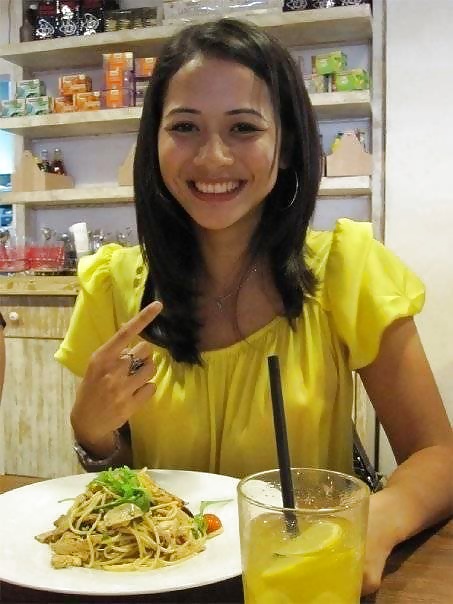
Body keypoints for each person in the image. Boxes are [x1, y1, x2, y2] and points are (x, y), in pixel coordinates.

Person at [55, 18, 453, 595]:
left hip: (300, 579)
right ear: (154, 144)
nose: (213, 156)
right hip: (160, 584)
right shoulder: (114, 287)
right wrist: (93, 435)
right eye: (184, 127)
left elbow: (438, 455)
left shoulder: (346, 270)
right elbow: (124, 491)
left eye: (243, 127)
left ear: (286, 145)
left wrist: (375, 523)